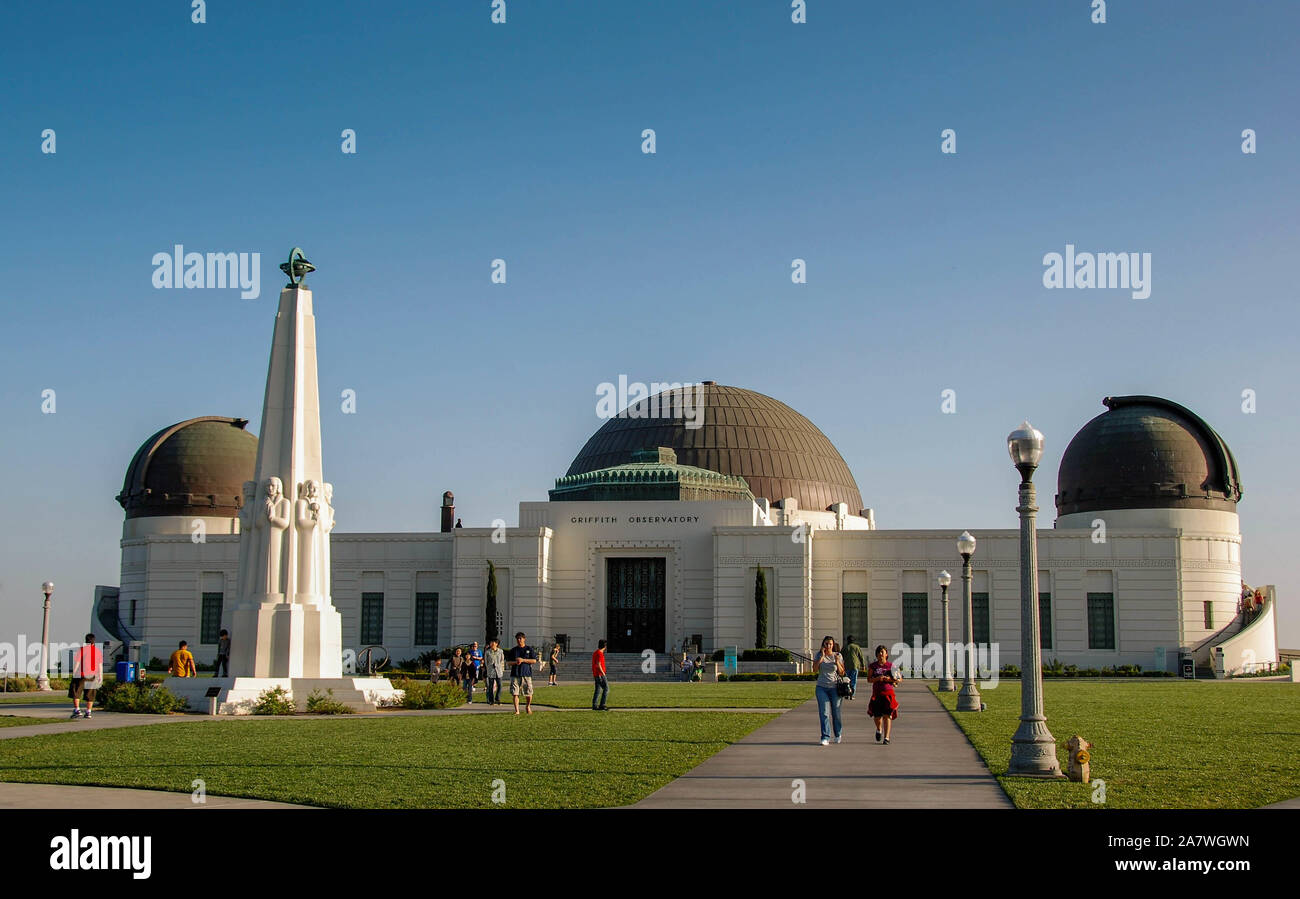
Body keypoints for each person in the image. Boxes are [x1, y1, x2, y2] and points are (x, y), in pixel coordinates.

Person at [813, 635, 846, 746]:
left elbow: (842, 672)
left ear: (833, 645)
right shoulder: (819, 655)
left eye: (830, 644)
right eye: (826, 644)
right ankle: (825, 736)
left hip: (835, 688)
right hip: (821, 687)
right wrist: (821, 657)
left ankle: (838, 734)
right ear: (823, 645)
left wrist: (837, 662)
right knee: (824, 713)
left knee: (836, 713)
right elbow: (814, 669)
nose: (828, 646)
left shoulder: (838, 655)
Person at [867, 644, 900, 744]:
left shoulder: (891, 666)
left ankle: (887, 738)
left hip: (888, 693)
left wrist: (889, 679)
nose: (881, 654)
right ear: (876, 655)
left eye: (883, 652)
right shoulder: (873, 666)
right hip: (877, 693)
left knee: (887, 715)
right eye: (879, 652)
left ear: (886, 654)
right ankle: (879, 729)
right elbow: (869, 679)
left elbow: (899, 679)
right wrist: (878, 678)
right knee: (877, 716)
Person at [69, 634, 103, 719]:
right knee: (90, 694)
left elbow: (77, 662)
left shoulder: (82, 650)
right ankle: (88, 712)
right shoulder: (97, 651)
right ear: (93, 641)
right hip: (92, 676)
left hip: (81, 674)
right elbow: (100, 665)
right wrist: (100, 676)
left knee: (76, 692)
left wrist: (74, 672)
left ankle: (77, 710)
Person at [505, 632, 539, 715]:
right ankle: (517, 710)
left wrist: (523, 660)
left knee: (529, 693)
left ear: (524, 639)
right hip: (515, 674)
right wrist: (516, 662)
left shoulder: (529, 649)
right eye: (517, 639)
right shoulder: (513, 650)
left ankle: (528, 706)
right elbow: (508, 662)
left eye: (520, 638)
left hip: (526, 674)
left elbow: (534, 660)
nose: (519, 640)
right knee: (515, 693)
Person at [484, 638, 505, 705]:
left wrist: (501, 668)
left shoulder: (500, 651)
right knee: (490, 686)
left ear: (497, 644)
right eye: (491, 643)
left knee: (500, 685)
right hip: (491, 670)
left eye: (494, 643)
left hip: (498, 670)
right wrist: (488, 668)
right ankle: (491, 700)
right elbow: (486, 662)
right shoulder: (487, 652)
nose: (492, 644)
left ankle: (497, 698)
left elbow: (502, 660)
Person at [843, 635, 865, 699]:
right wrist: (863, 665)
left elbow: (841, 656)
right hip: (855, 666)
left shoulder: (845, 647)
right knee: (853, 681)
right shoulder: (856, 647)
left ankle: (846, 693)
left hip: (846, 666)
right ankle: (852, 695)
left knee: (847, 681)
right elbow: (861, 656)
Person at [591, 638, 608, 710]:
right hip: (600, 674)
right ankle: (602, 704)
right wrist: (603, 673)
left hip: (596, 674)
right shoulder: (599, 653)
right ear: (605, 646)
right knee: (606, 688)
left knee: (597, 690)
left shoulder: (596, 652)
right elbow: (598, 664)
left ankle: (595, 705)